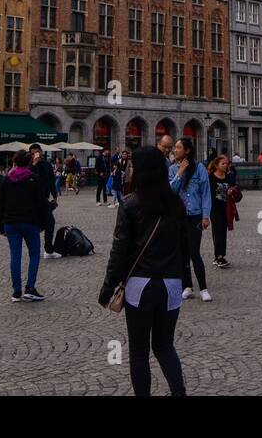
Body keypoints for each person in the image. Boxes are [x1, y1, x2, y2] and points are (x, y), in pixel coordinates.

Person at [98, 146, 190, 396]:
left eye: (133, 167)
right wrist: (184, 280)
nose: (130, 170)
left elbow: (119, 251)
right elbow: (186, 249)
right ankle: (179, 393)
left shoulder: (130, 204)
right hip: (171, 284)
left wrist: (107, 289)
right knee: (164, 346)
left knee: (139, 352)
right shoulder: (177, 205)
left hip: (140, 285)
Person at [0, 151, 47, 301]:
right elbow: (41, 203)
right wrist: (43, 223)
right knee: (34, 254)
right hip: (30, 222)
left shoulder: (7, 179)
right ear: (28, 162)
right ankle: (30, 288)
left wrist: (1, 226)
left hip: (11, 223)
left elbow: (2, 203)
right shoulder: (34, 178)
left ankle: (16, 291)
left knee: (15, 255)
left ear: (15, 162)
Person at [169, 137, 212, 302]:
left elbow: (206, 193)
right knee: (182, 253)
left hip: (195, 215)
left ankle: (203, 288)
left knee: (194, 252)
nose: (175, 150)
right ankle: (187, 286)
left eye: (178, 147)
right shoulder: (172, 169)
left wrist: (206, 215)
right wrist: (179, 173)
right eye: (175, 147)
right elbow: (170, 192)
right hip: (179, 216)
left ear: (187, 150)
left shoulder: (199, 168)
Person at [29, 145, 62, 261]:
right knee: (35, 225)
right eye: (33, 154)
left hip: (44, 199)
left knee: (50, 222)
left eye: (37, 152)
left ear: (41, 152)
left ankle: (48, 250)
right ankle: (38, 250)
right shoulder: (30, 165)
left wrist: (55, 196)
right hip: (32, 200)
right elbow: (28, 178)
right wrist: (33, 164)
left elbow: (51, 181)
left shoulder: (47, 165)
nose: (36, 155)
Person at [206, 154, 238, 268]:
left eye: (227, 163)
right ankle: (219, 256)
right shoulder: (210, 177)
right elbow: (206, 193)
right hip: (214, 208)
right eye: (223, 163)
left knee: (223, 231)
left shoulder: (228, 176)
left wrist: (231, 191)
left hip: (226, 207)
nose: (225, 165)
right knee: (217, 231)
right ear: (216, 165)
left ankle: (220, 255)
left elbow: (234, 187)